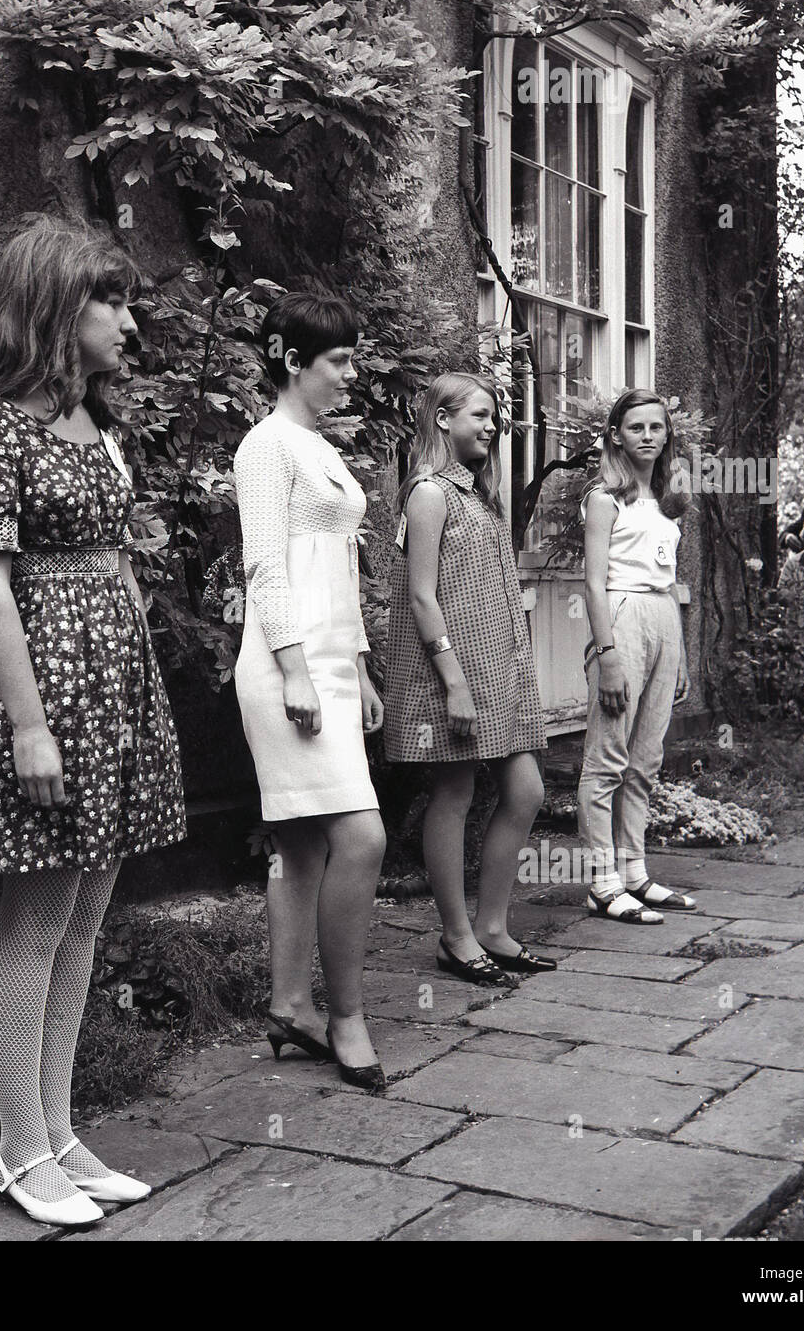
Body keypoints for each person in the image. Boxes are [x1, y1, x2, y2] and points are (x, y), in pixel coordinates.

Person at [0, 218, 186, 1226]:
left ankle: (57, 1130)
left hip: (113, 690)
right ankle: (16, 1150)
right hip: (44, 688)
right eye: (111, 301)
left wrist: (134, 694)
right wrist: (28, 727)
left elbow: (120, 564)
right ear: (56, 305)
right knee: (34, 924)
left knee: (84, 922)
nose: (127, 322)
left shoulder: (93, 422)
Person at [232, 292, 388, 1093]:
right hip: (282, 662)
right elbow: (264, 565)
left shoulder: (317, 447)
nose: (351, 376)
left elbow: (339, 568)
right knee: (361, 837)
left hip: (329, 660)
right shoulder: (266, 446)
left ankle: (291, 1004)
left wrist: (355, 666)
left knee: (302, 846)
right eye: (339, 361)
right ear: (293, 360)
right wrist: (294, 666)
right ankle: (347, 1015)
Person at [383, 372, 552, 983]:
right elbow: (422, 597)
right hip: (452, 672)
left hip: (497, 669)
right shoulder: (429, 493)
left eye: (492, 417)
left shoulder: (477, 493)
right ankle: (455, 938)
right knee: (453, 793)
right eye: (478, 415)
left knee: (526, 791)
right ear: (441, 420)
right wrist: (453, 680)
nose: (490, 427)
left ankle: (493, 928)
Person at [576, 389, 697, 924]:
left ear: (667, 434)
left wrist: (684, 655)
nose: (647, 436)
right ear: (616, 435)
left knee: (645, 760)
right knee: (608, 759)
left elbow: (671, 583)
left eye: (656, 427)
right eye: (636, 427)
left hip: (662, 620)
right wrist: (607, 655)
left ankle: (634, 873)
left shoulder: (671, 502)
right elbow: (595, 584)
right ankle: (602, 882)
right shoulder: (605, 497)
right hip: (621, 619)